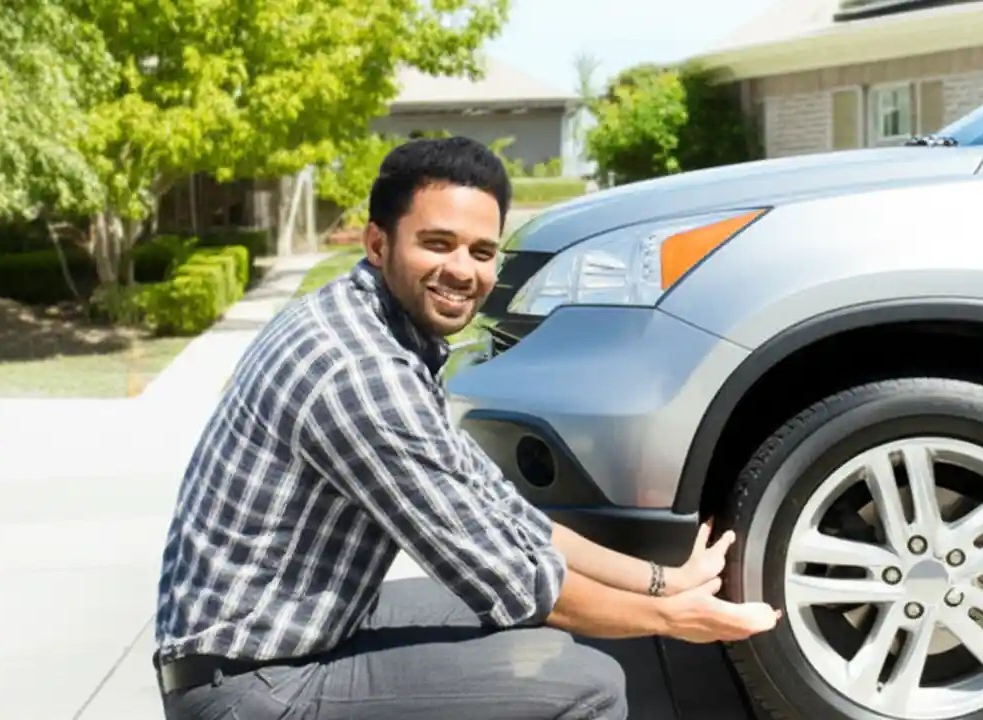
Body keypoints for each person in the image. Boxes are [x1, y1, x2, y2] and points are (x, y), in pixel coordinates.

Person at [152, 136, 780, 720]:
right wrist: (670, 618)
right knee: (588, 686)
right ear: (377, 243)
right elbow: (516, 583)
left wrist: (663, 580)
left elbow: (501, 512)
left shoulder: (378, 330)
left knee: (545, 629)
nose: (462, 270)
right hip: (250, 687)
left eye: (482, 252)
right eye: (437, 243)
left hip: (291, 630)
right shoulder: (359, 375)